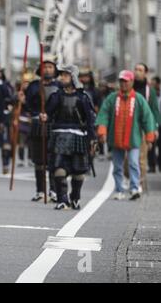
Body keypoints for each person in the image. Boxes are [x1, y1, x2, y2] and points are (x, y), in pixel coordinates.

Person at [40, 65, 96, 210]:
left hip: (78, 136)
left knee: (79, 172)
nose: (62, 78)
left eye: (65, 75)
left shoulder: (83, 97)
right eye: (62, 75)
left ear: (73, 77)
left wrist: (92, 138)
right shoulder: (56, 96)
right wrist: (44, 117)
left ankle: (75, 197)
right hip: (60, 136)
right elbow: (49, 114)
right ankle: (62, 199)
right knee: (59, 169)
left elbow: (90, 120)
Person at [96, 70, 156, 201]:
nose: (123, 84)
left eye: (126, 81)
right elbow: (104, 115)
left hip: (133, 138)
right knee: (117, 166)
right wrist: (102, 132)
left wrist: (149, 138)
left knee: (134, 163)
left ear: (132, 82)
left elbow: (147, 118)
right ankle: (119, 189)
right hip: (115, 138)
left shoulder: (139, 99)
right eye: (121, 81)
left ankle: (134, 188)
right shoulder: (112, 98)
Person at [24, 56, 60, 202]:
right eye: (45, 67)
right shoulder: (33, 86)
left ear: (55, 70)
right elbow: (27, 106)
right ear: (41, 69)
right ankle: (40, 190)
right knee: (39, 159)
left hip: (54, 124)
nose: (47, 69)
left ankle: (53, 190)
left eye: (51, 67)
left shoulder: (60, 86)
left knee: (53, 158)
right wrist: (21, 99)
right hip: (37, 123)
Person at [133, 64, 160, 181]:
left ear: (145, 73)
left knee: (141, 157)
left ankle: (139, 180)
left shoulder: (150, 91)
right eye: (136, 69)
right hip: (129, 126)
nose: (137, 72)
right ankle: (131, 177)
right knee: (127, 159)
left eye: (140, 70)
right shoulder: (128, 86)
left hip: (144, 127)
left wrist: (155, 127)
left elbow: (154, 110)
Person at [0, 64, 15, 175]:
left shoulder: (6, 85)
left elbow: (11, 98)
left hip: (4, 116)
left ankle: (5, 164)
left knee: (5, 143)